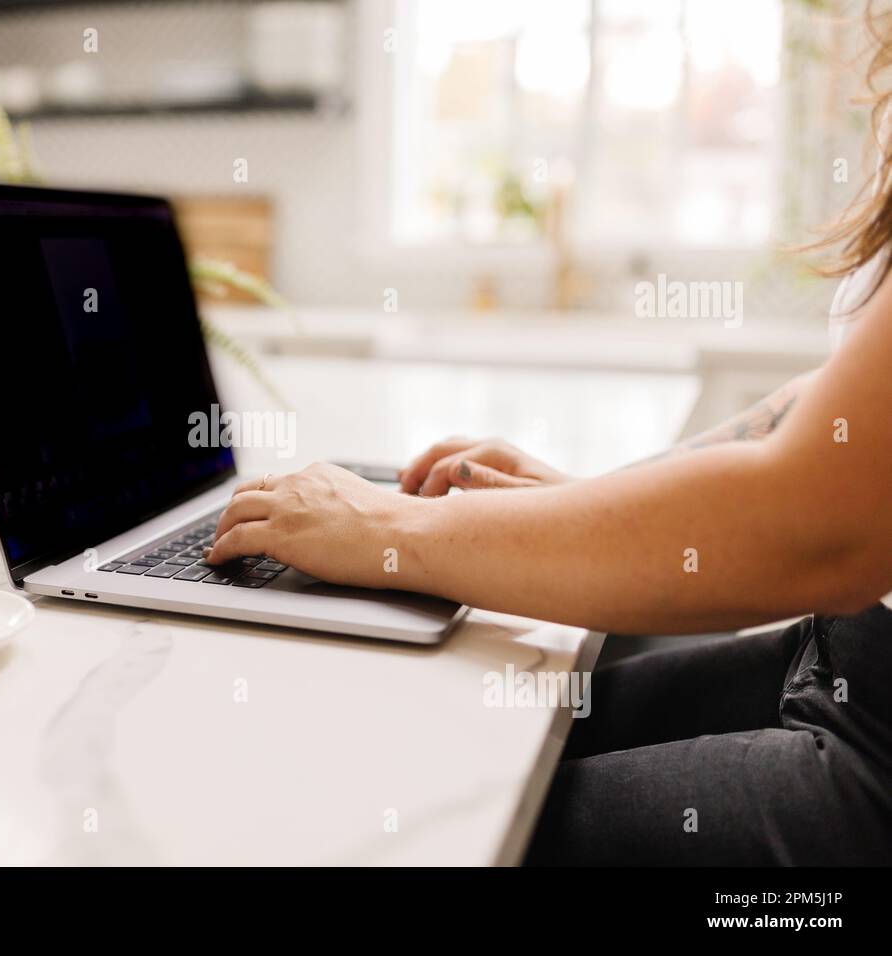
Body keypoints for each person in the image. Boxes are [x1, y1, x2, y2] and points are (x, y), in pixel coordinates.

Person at [204, 16, 892, 867]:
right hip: (844, 657)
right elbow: (820, 413)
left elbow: (821, 528)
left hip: (874, 765)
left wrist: (386, 533)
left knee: (443, 824)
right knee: (488, 736)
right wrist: (581, 502)